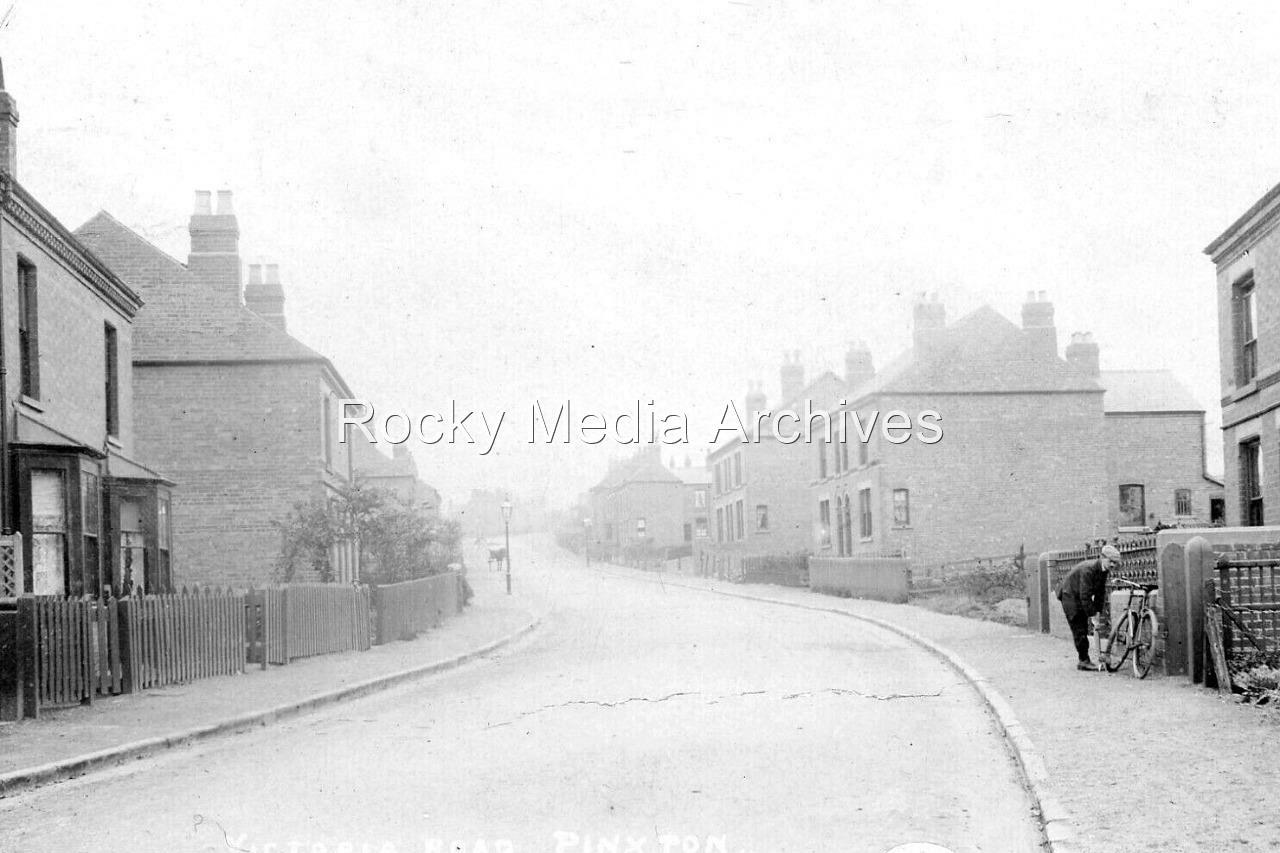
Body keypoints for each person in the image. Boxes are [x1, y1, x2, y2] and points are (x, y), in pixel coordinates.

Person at [1056, 544, 1120, 671]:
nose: (1113, 565)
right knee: (1079, 628)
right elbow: (1085, 595)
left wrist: (1098, 612)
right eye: (1110, 561)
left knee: (1084, 628)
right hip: (1069, 596)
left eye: (1115, 563)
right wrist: (1092, 615)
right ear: (1102, 557)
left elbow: (1100, 593)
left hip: (1078, 596)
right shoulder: (1089, 570)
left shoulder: (1103, 570)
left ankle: (1085, 660)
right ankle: (1083, 661)